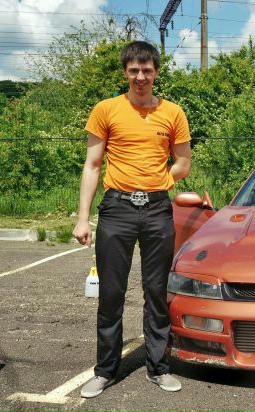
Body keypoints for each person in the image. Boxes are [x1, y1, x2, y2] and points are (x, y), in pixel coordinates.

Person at [72, 41, 191, 398]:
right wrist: (82, 219)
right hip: (117, 209)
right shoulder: (106, 110)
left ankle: (158, 368)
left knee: (156, 292)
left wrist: (159, 180)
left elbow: (183, 163)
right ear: (125, 72)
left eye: (147, 70)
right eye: (134, 70)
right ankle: (105, 371)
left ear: (156, 72)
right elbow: (93, 165)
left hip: (157, 209)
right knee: (111, 293)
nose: (141, 77)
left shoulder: (173, 113)